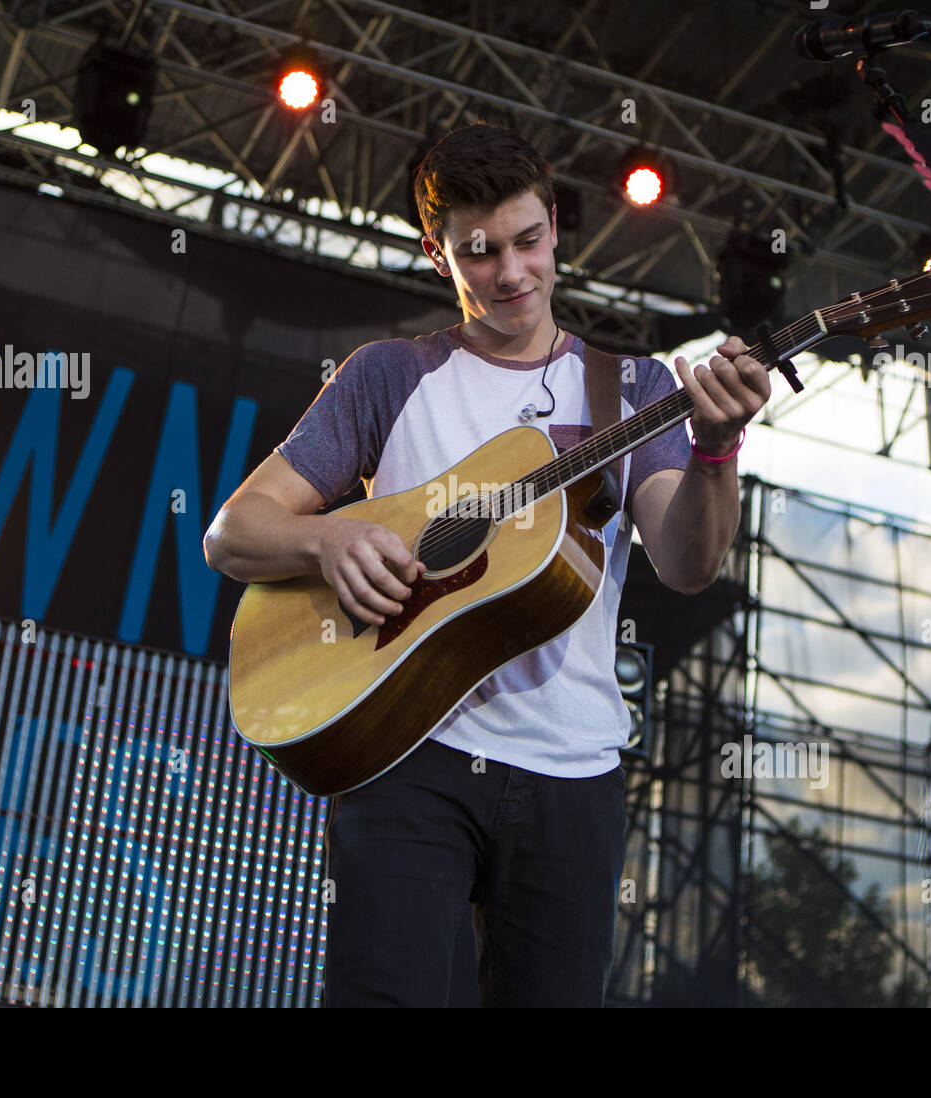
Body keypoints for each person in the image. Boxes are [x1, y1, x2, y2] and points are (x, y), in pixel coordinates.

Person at [202, 122, 771, 1006]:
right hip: (407, 748)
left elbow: (688, 562)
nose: (512, 272)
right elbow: (233, 532)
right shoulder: (385, 376)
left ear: (555, 227)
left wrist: (716, 449)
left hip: (573, 772)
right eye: (481, 251)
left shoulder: (633, 390)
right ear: (438, 255)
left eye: (530, 240)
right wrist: (331, 538)